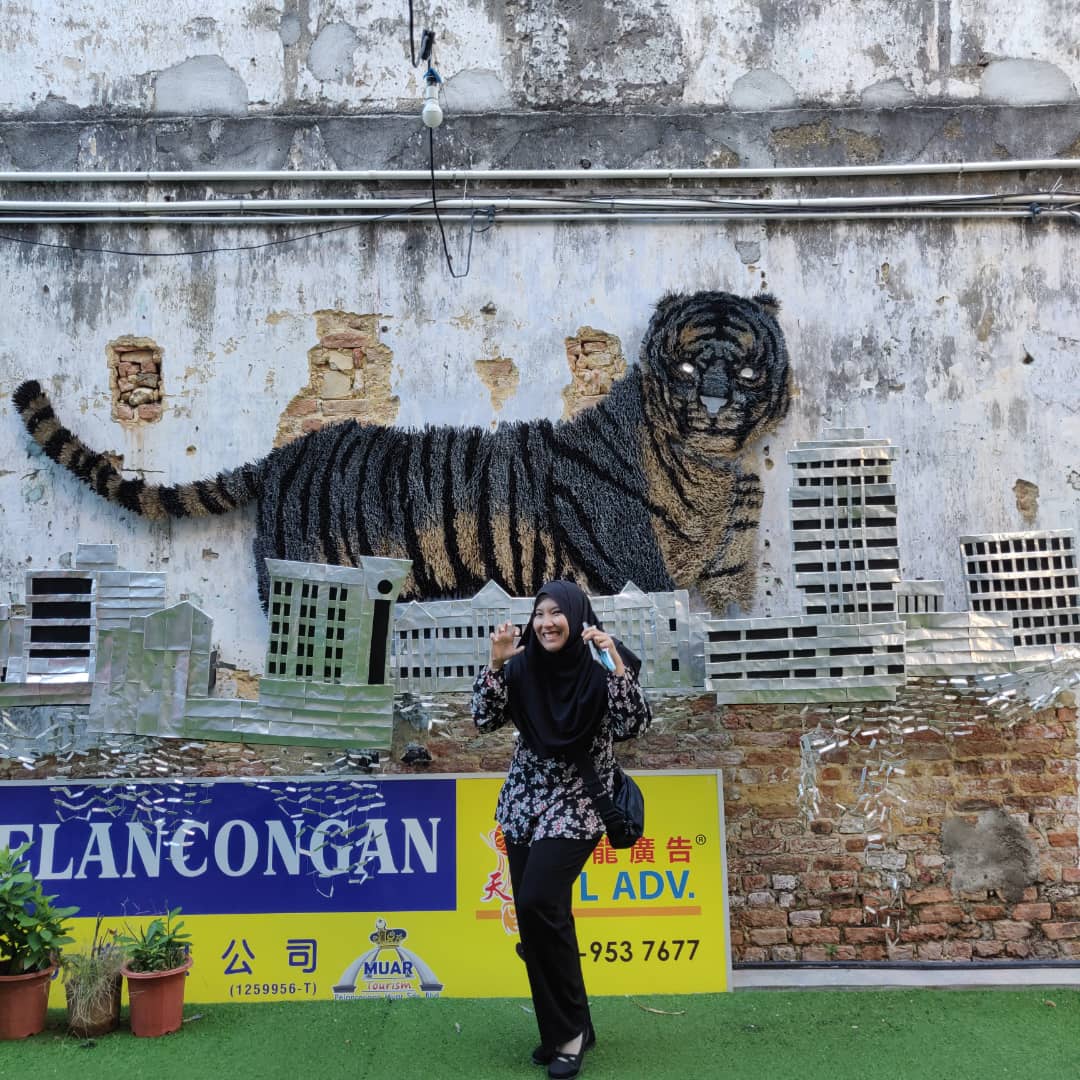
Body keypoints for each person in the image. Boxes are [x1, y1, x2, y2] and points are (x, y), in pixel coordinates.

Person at [471, 579, 652, 1079]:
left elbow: (633, 725)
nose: (547, 622)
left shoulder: (601, 668)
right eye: (539, 613)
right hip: (525, 805)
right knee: (540, 921)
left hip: (577, 805)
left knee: (536, 903)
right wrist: (496, 663)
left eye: (557, 613)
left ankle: (567, 1033)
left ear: (577, 616)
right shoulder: (522, 665)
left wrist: (615, 661)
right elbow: (483, 719)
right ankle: (569, 1029)